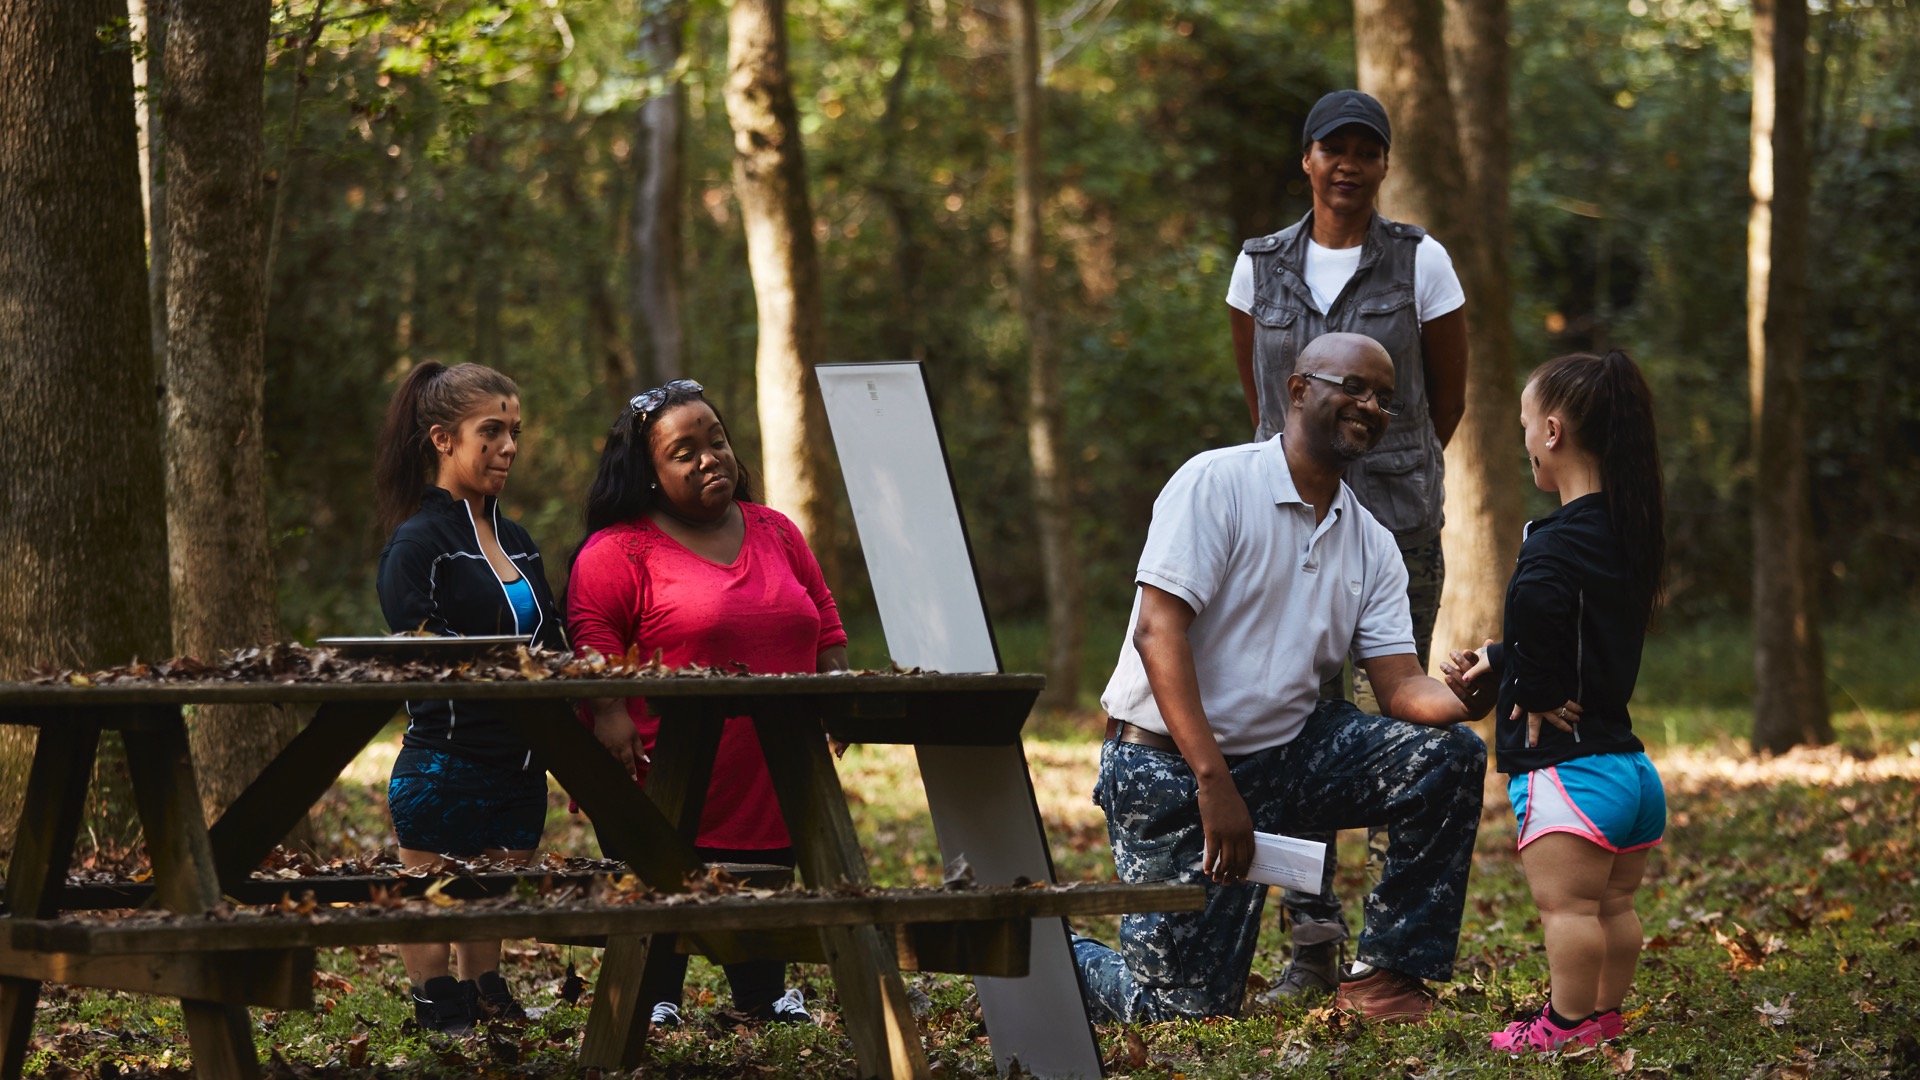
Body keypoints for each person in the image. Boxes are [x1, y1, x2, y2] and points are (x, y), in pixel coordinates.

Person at [1072, 333, 1486, 1025]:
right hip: (1171, 768)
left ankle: (1386, 977)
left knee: (1448, 756)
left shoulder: (1371, 543)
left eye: (1384, 398)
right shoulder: (1217, 484)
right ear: (1298, 390)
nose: (1371, 406)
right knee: (1178, 1012)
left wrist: (1467, 697)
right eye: (1353, 387)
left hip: (1285, 759)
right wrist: (1214, 782)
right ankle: (1050, 950)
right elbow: (1156, 633)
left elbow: (1399, 688)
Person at [1226, 87, 1472, 1000]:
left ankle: (1389, 953)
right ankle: (1313, 944)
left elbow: (1443, 401)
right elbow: (1265, 400)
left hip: (1394, 534)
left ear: (1384, 165)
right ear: (1308, 159)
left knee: (1392, 728)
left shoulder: (1421, 262)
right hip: (1282, 534)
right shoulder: (1258, 267)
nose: (1350, 166)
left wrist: (1384, 471)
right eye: (1335, 149)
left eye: (1368, 151)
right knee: (1291, 725)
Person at [566, 379, 847, 1029]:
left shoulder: (776, 530)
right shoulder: (618, 550)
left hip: (776, 763)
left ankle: (762, 994)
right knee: (663, 889)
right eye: (683, 452)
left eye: (715, 440)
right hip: (664, 770)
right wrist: (608, 712)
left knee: (763, 886)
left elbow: (824, 621)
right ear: (650, 473)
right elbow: (592, 639)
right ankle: (655, 994)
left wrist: (839, 695)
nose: (709, 458)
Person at [1439, 350, 1668, 1051]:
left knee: (1567, 910)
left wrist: (1532, 687)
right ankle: (1603, 1015)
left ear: (1552, 431)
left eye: (1523, 426)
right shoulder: (1627, 532)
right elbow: (1578, 630)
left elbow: (1540, 607)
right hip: (1629, 772)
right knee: (1615, 905)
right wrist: (1503, 655)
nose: (1524, 442)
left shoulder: (1554, 543)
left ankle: (1564, 1026)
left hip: (1570, 773)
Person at [374, 361, 565, 1033]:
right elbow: (419, 646)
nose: (508, 447)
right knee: (434, 897)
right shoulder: (416, 543)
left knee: (490, 898)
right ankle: (435, 997)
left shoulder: (520, 542)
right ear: (442, 439)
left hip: (523, 767)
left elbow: (554, 639)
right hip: (445, 763)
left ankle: (486, 986)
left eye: (515, 432)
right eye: (491, 432)